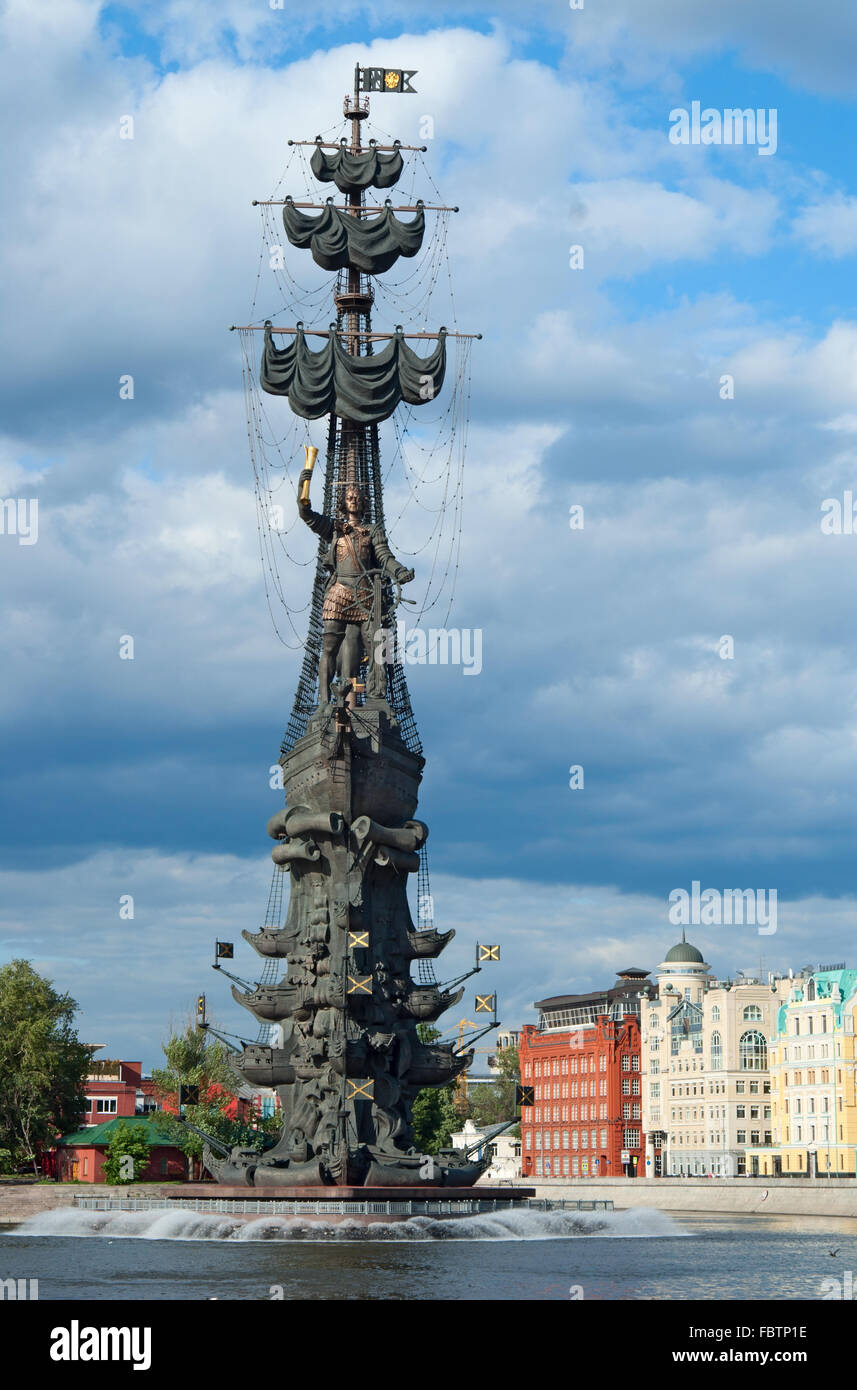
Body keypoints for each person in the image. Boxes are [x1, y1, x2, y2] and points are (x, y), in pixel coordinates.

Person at [298, 469, 414, 704]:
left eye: (357, 497)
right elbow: (307, 515)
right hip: (339, 592)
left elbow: (384, 556)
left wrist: (399, 571)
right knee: (329, 646)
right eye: (349, 497)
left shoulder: (372, 531)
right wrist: (303, 489)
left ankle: (376, 697)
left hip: (365, 595)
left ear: (363, 503)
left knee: (377, 643)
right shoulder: (334, 528)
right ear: (343, 502)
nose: (353, 499)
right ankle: (324, 704)